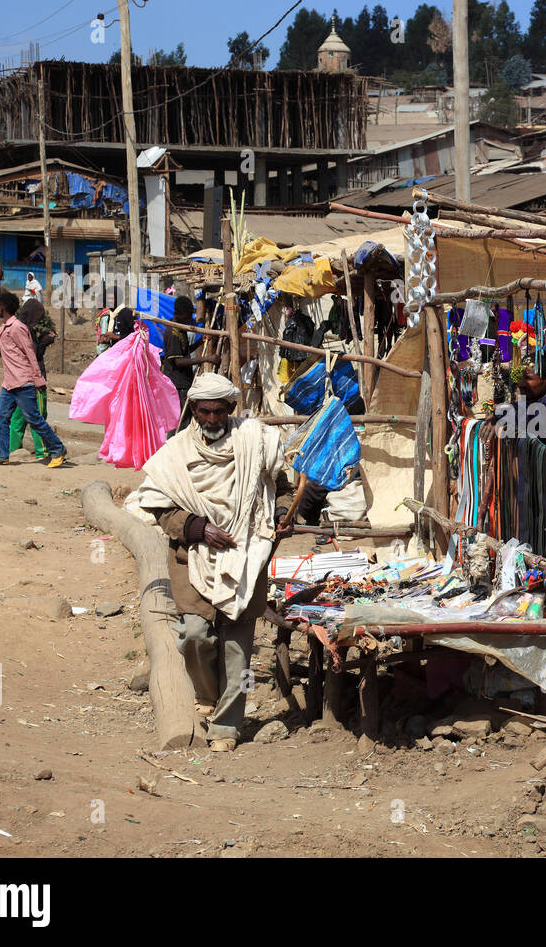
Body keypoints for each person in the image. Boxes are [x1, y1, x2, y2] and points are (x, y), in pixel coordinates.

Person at [126, 373, 293, 752]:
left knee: (237, 648)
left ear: (231, 408)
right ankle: (208, 694)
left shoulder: (255, 441)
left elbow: (280, 487)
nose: (213, 420)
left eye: (220, 411)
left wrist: (281, 513)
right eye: (205, 412)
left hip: (246, 557)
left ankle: (226, 728)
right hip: (191, 557)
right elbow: (159, 504)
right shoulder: (176, 452)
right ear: (194, 411)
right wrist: (196, 528)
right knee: (195, 636)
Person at [0, 290, 67, 468]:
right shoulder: (4, 328)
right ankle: (0, 454)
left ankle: (58, 449)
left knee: (34, 419)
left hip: (23, 382)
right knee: (1, 418)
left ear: (2, 308)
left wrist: (38, 379)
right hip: (9, 384)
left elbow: (30, 353)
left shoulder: (17, 328)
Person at [9, 297, 57, 460]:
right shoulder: (26, 331)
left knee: (18, 418)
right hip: (34, 381)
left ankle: (12, 450)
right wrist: (46, 341)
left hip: (20, 381)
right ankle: (42, 452)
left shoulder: (17, 328)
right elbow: (33, 355)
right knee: (38, 417)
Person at [162, 296, 220, 428]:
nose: (190, 318)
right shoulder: (173, 333)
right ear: (180, 314)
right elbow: (178, 361)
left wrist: (201, 341)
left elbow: (185, 352)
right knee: (181, 420)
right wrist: (206, 359)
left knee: (186, 418)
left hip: (184, 381)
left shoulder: (180, 328)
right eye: (188, 315)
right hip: (178, 384)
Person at [277, 301, 316, 384]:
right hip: (304, 352)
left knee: (293, 373)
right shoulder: (305, 320)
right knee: (301, 372)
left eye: (287, 309)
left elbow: (288, 336)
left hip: (295, 353)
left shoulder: (294, 321)